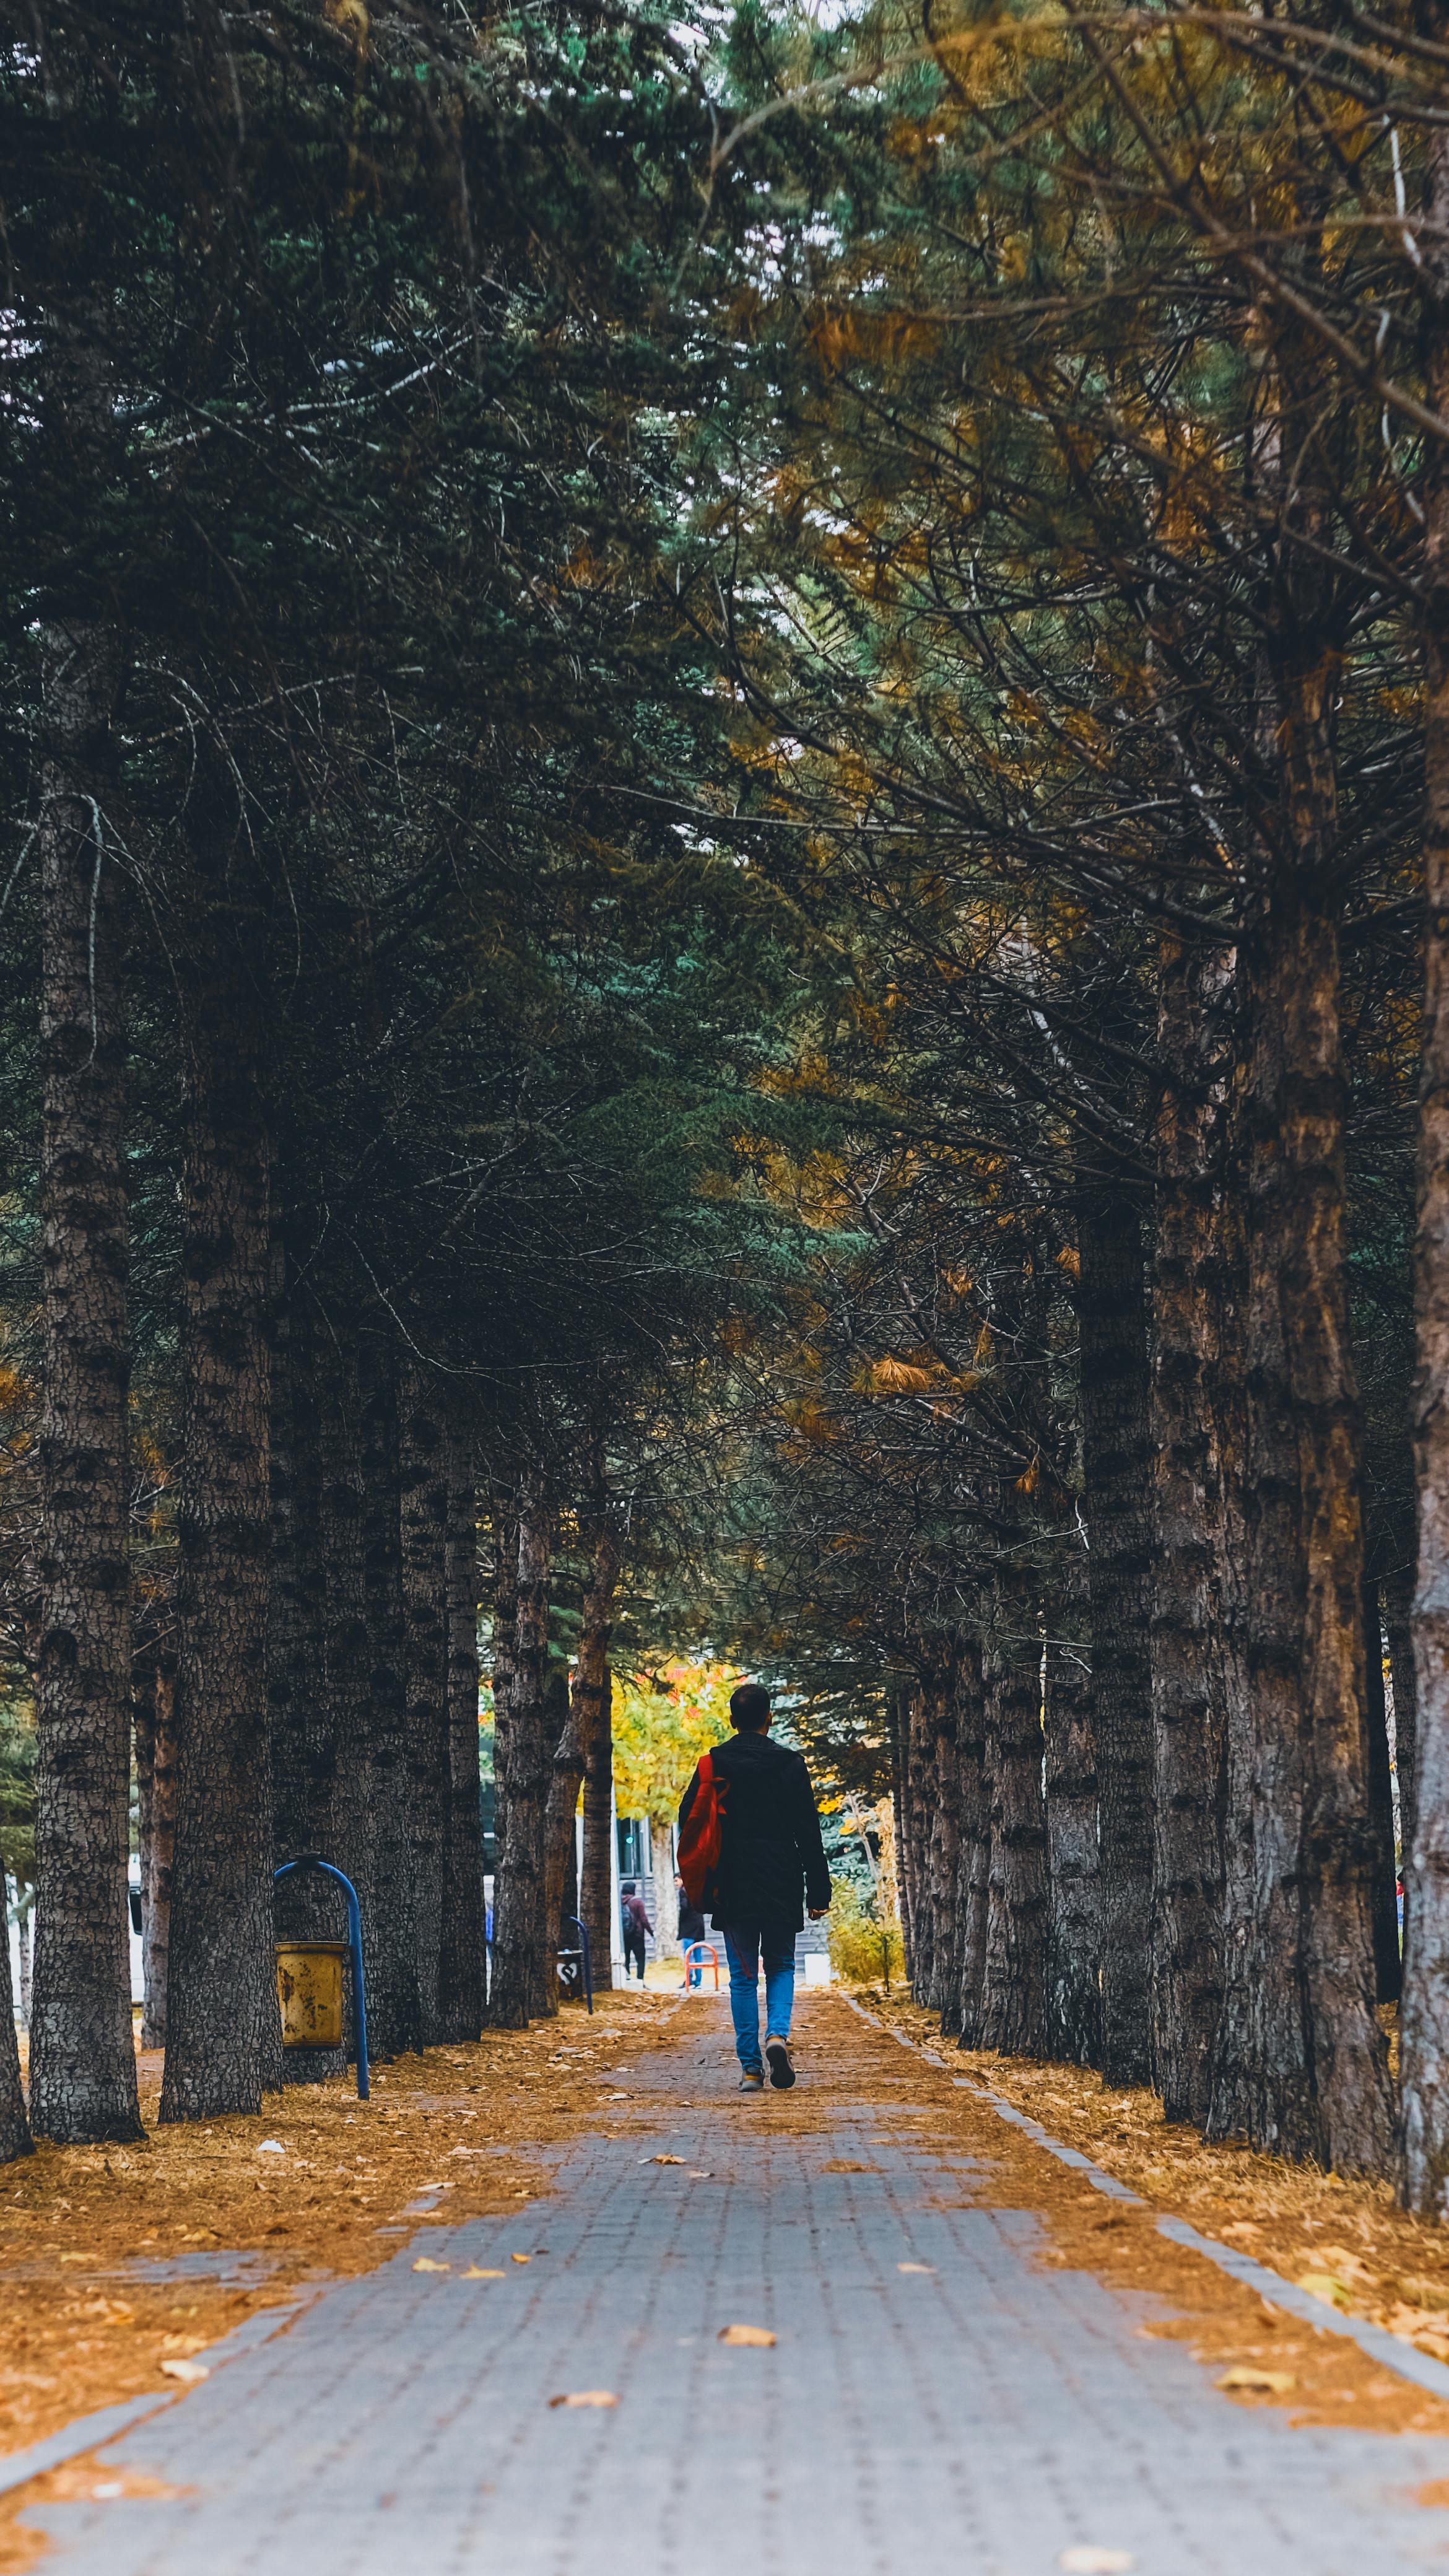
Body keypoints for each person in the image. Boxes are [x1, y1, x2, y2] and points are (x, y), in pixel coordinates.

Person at [676, 1682, 830, 2091]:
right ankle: (777, 2035)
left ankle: (750, 2069)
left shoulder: (714, 1763)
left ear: (731, 1720)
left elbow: (687, 1818)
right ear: (769, 1718)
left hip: (733, 1882)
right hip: (781, 1878)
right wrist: (819, 1891)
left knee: (743, 1977)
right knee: (781, 1964)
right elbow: (808, 1832)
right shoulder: (791, 1764)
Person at [677, 1877, 707, 1988]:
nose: (675, 1884)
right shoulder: (696, 1889)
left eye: (676, 1880)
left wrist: (681, 1920)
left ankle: (689, 1979)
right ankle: (698, 1981)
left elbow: (684, 1907)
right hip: (699, 1925)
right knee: (698, 1954)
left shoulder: (683, 1891)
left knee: (688, 1954)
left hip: (689, 1927)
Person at [620, 1880, 651, 1983]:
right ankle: (640, 1980)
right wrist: (651, 1932)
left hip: (624, 1935)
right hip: (637, 1935)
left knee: (626, 1958)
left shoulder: (619, 1902)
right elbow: (644, 1920)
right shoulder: (637, 1902)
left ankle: (627, 1979)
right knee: (640, 1959)